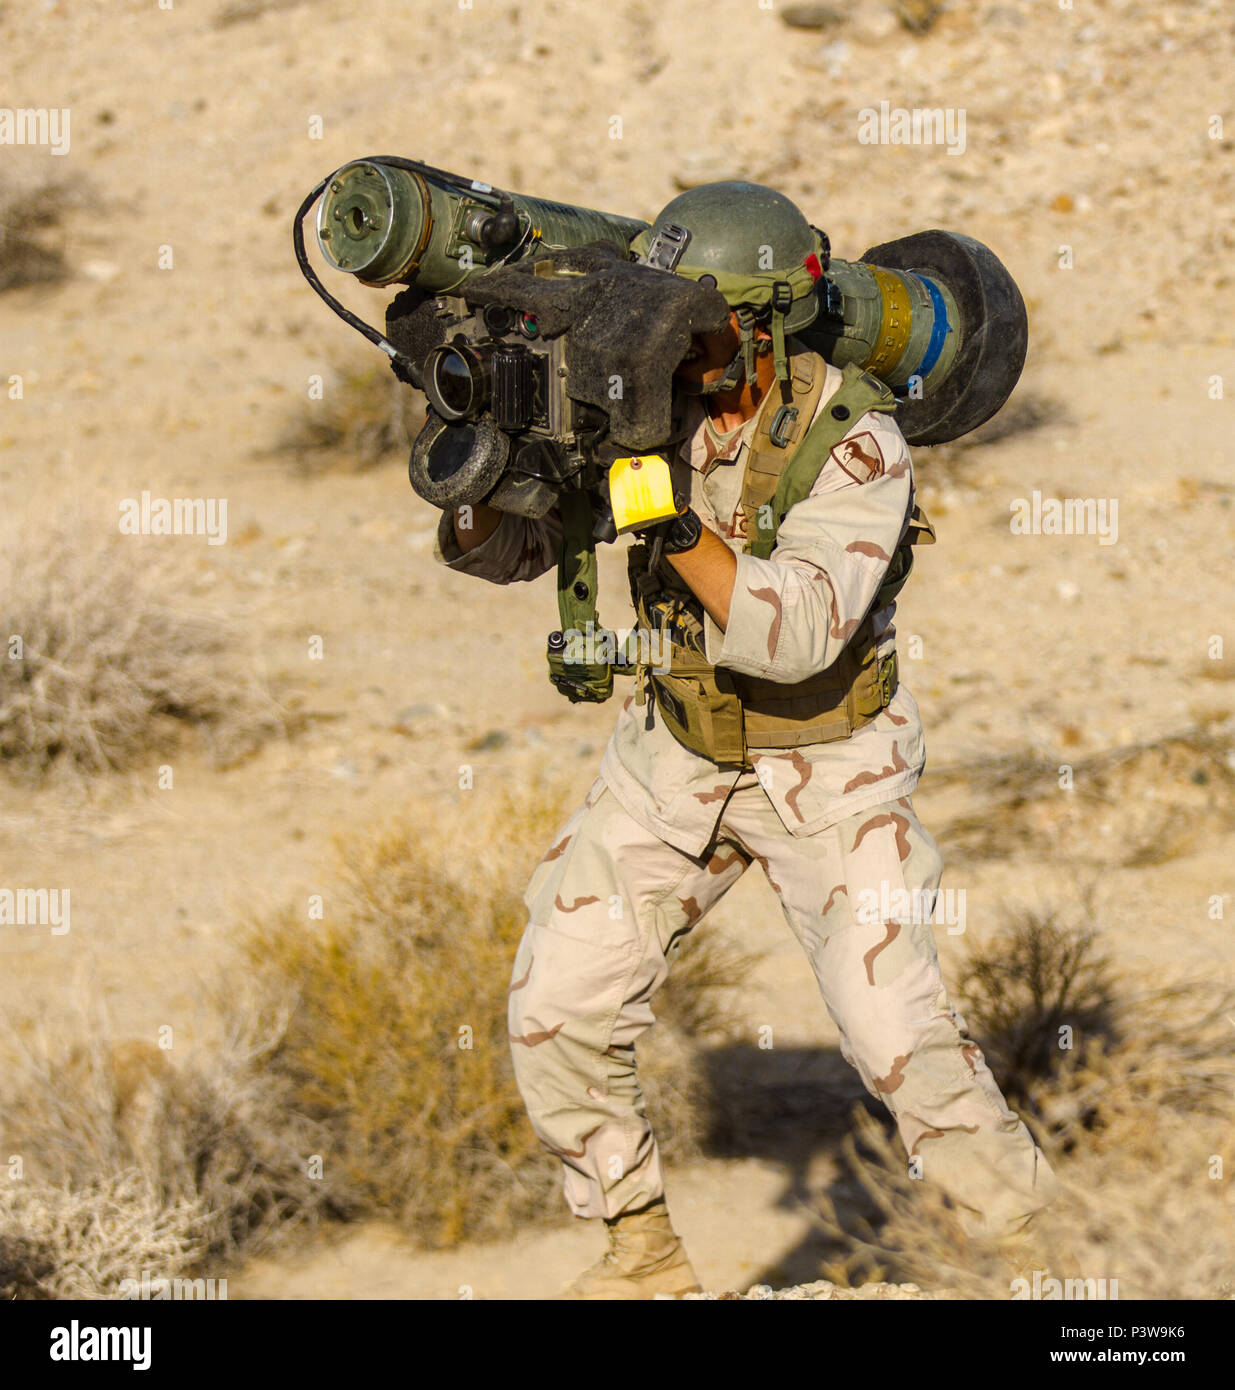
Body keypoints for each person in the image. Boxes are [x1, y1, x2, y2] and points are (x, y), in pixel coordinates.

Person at [432, 182, 1057, 1299]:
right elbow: (517, 553)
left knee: (896, 1035)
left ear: (764, 325)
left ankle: (1034, 1260)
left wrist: (668, 519)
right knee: (556, 1009)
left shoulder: (855, 443)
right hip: (677, 757)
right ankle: (640, 1256)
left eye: (695, 325)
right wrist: (478, 467)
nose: (667, 342)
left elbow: (797, 631)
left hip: (829, 773)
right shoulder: (644, 399)